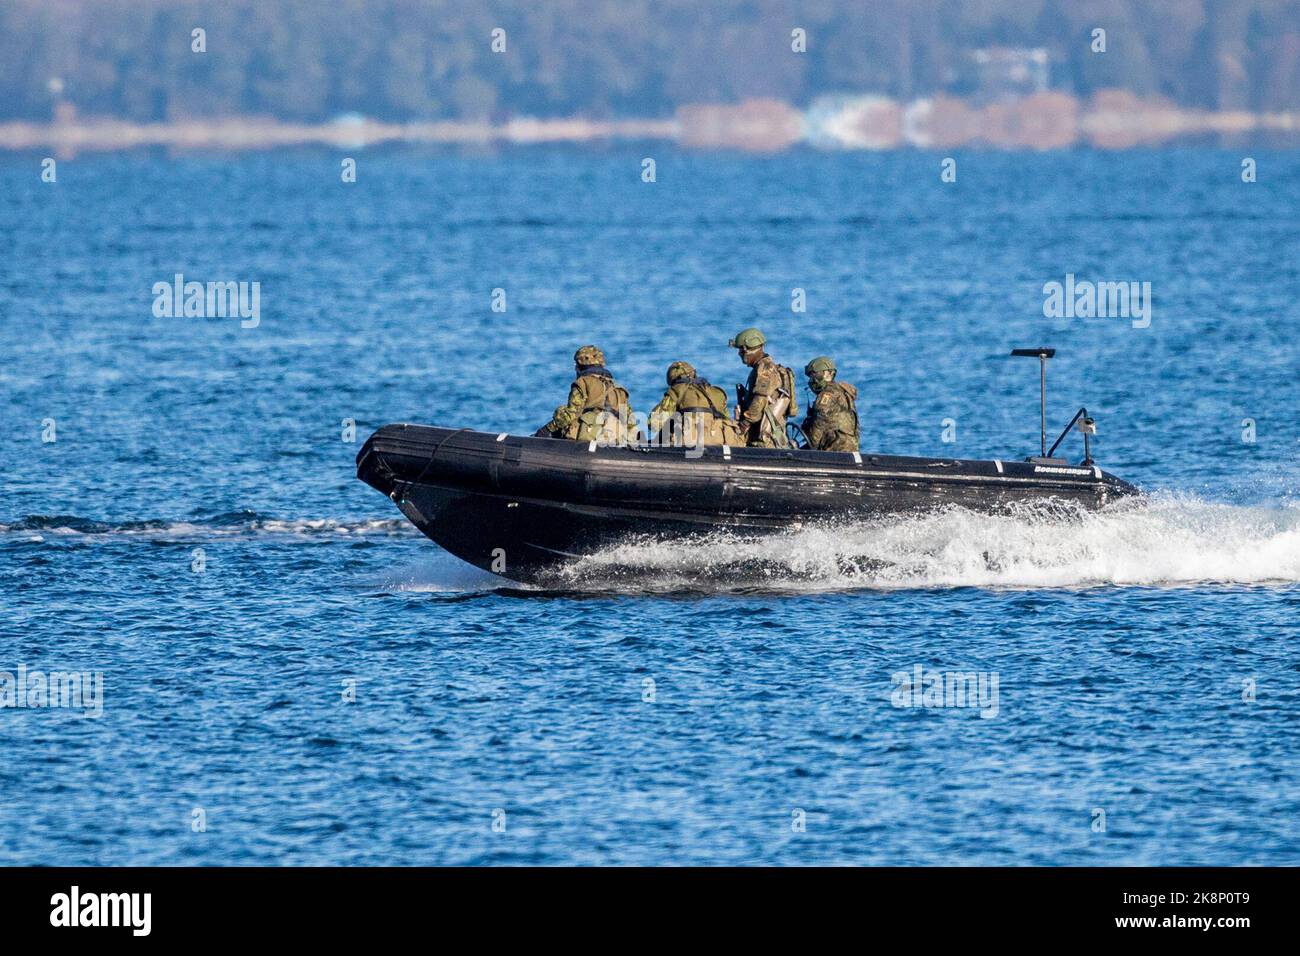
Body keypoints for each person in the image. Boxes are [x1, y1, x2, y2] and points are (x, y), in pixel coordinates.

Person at [535, 345, 638, 443]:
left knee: (561, 413)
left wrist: (545, 430)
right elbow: (630, 422)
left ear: (579, 366)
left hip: (586, 440)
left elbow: (569, 416)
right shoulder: (619, 390)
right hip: (612, 441)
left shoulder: (583, 383)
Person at [729, 327, 798, 448]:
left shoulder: (765, 370)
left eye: (741, 350)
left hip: (764, 439)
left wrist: (743, 424)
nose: (739, 354)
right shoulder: (766, 368)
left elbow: (759, 401)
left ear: (748, 350)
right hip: (771, 434)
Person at [647, 361, 744, 447]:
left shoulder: (676, 390)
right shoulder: (716, 392)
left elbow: (653, 424)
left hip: (688, 441)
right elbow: (725, 418)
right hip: (718, 441)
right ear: (694, 374)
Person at [800, 356, 860, 452]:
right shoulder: (841, 392)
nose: (812, 380)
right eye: (810, 376)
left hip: (836, 450)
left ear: (828, 374)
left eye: (815, 375)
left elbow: (818, 428)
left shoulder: (827, 395)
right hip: (850, 449)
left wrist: (803, 450)